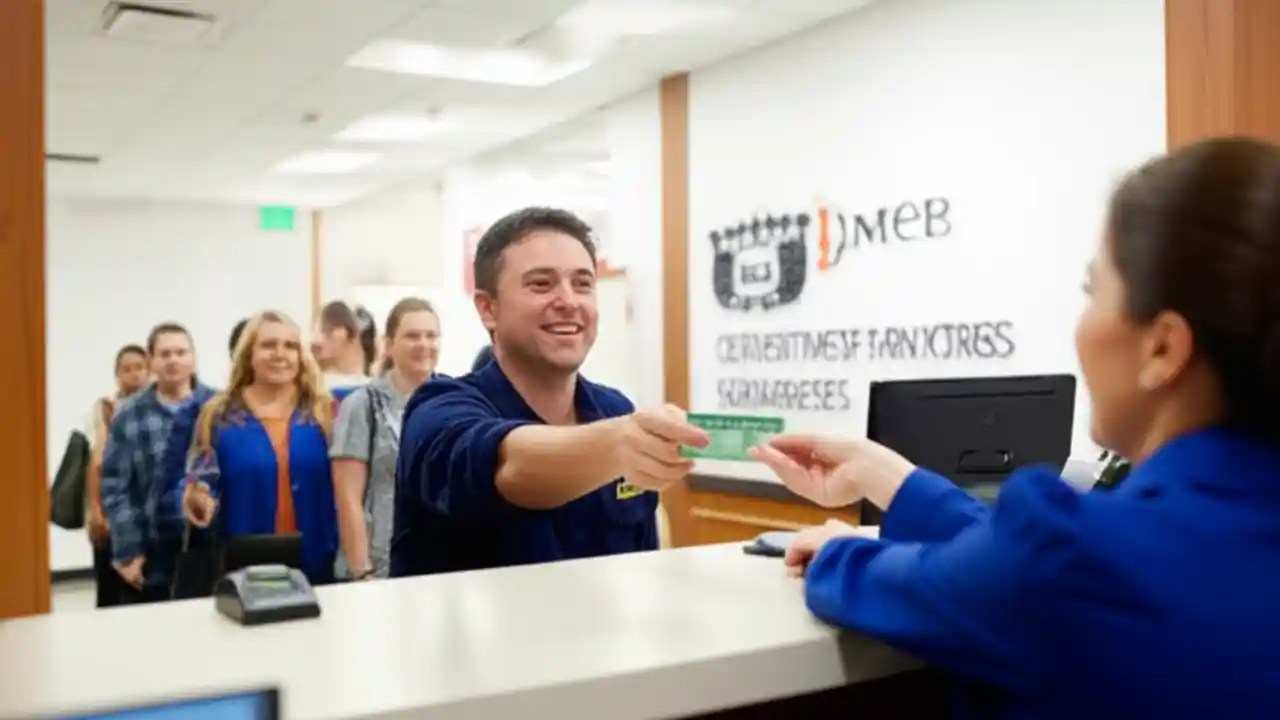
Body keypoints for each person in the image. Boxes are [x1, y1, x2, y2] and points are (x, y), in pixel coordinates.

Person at [749, 137, 1280, 717]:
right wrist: (895, 482)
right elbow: (1016, 565)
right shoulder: (1091, 558)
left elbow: (966, 581)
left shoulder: (1069, 563)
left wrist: (835, 552)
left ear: (1163, 346)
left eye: (1092, 290)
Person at [391, 207, 709, 577]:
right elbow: (510, 467)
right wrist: (620, 445)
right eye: (541, 284)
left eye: (583, 284)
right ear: (488, 308)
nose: (569, 301)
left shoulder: (614, 411)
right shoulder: (437, 411)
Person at [182, 310, 338, 584]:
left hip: (320, 562)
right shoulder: (218, 414)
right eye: (268, 345)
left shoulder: (326, 412)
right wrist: (198, 496)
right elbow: (202, 475)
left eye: (290, 346)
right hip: (245, 563)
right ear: (249, 355)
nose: (280, 353)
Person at [101, 323, 215, 603]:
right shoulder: (130, 414)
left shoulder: (218, 406)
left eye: (181, 352)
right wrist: (128, 552)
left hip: (211, 545)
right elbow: (116, 486)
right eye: (165, 354)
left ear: (193, 358)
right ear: (151, 361)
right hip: (153, 548)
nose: (173, 360)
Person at [332, 298, 440, 580]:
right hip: (379, 566)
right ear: (389, 344)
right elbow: (348, 498)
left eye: (431, 336)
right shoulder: (361, 405)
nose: (423, 344)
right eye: (412, 336)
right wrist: (361, 571)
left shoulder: (454, 400)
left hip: (439, 563)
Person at [86, 344, 149, 608]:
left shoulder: (156, 408)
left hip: (143, 512)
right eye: (127, 369)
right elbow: (96, 463)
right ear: (117, 375)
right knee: (109, 590)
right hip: (111, 507)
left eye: (140, 368)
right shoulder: (107, 409)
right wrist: (96, 511)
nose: (134, 374)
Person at [315, 300, 375, 397]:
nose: (319, 340)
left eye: (329, 331)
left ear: (354, 336)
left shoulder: (376, 391)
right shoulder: (317, 387)